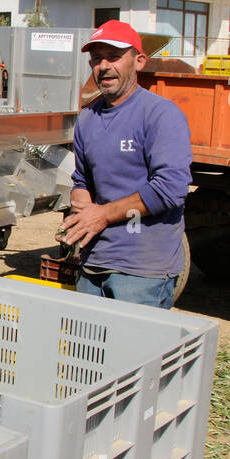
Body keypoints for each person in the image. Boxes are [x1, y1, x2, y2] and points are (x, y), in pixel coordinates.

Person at [59, 19, 192, 309]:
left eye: (114, 57)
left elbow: (170, 189)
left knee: (135, 353)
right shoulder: (87, 119)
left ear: (139, 61)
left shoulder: (160, 115)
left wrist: (102, 215)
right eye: (96, 58)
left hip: (141, 270)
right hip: (94, 262)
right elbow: (83, 179)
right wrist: (80, 201)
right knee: (86, 351)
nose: (104, 66)